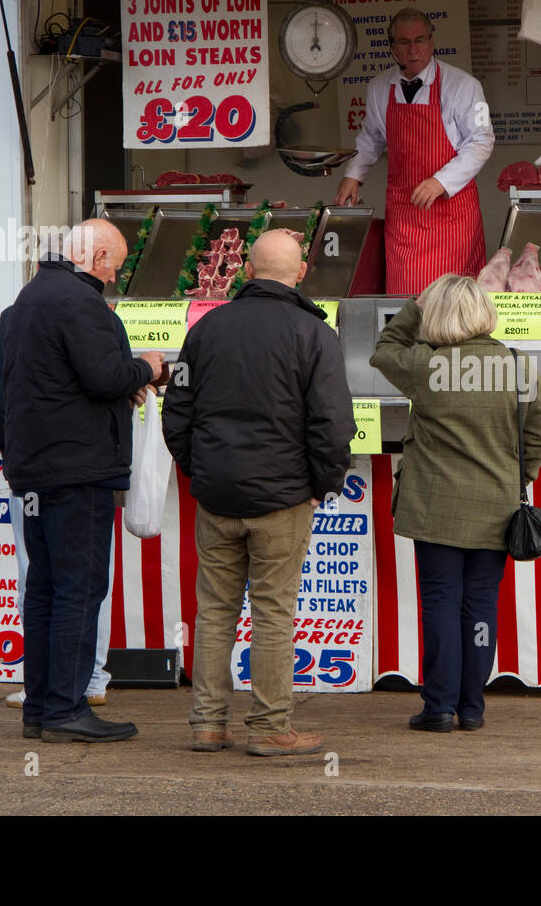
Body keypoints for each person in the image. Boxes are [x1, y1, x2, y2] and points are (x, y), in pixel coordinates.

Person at [163, 229, 356, 756]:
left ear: (247, 270)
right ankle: (270, 727)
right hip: (283, 497)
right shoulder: (313, 333)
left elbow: (176, 411)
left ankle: (206, 723)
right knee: (274, 611)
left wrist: (199, 471)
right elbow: (334, 424)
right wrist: (322, 484)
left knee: (215, 609)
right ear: (300, 275)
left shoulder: (206, 329)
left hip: (217, 494)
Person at [0, 219, 164, 743]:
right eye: (116, 264)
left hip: (33, 472)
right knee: (78, 591)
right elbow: (104, 376)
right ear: (96, 256)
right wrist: (146, 368)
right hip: (79, 472)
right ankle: (65, 709)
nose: (115, 275)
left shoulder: (23, 305)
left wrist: (15, 449)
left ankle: (39, 708)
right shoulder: (80, 302)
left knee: (43, 589)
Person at [370, 275, 541, 731]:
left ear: (438, 316)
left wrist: (415, 306)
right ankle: (472, 708)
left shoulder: (424, 366)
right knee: (479, 608)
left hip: (435, 510)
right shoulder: (518, 366)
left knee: (440, 603)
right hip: (497, 508)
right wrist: (517, 478)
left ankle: (437, 707)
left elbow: (383, 346)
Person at [335, 7, 494, 294]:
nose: (413, 49)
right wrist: (353, 176)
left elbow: (481, 141)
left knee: (450, 303)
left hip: (451, 216)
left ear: (432, 42)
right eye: (404, 42)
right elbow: (371, 138)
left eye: (420, 40)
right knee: (404, 300)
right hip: (404, 214)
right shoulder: (379, 87)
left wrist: (440, 181)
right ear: (392, 47)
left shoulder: (464, 85)